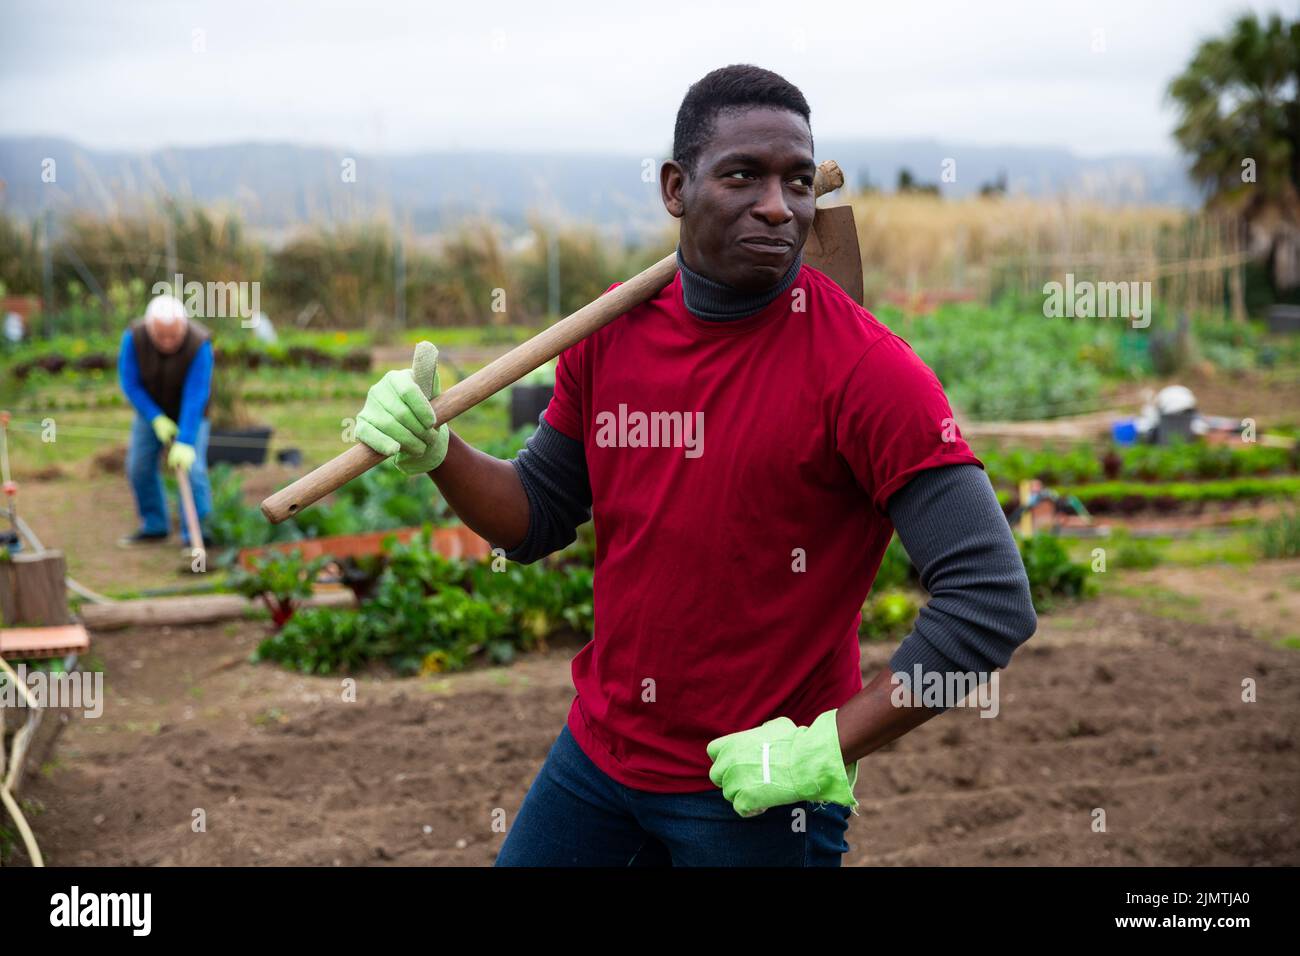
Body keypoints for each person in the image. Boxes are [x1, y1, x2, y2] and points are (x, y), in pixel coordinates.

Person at [353, 64, 1038, 866]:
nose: (777, 206)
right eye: (743, 176)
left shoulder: (867, 372)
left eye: (795, 181)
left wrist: (825, 747)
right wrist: (439, 452)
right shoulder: (613, 330)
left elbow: (991, 601)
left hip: (753, 793)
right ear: (677, 188)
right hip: (599, 762)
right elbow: (536, 514)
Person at [116, 293, 214, 548]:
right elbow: (130, 383)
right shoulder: (134, 338)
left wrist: (186, 440)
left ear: (184, 326)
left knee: (194, 470)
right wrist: (155, 417)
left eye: (174, 335)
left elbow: (197, 394)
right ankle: (155, 525)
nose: (168, 342)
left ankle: (197, 532)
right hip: (151, 413)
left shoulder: (200, 343)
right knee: (138, 466)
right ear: (150, 329)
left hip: (191, 414)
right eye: (161, 336)